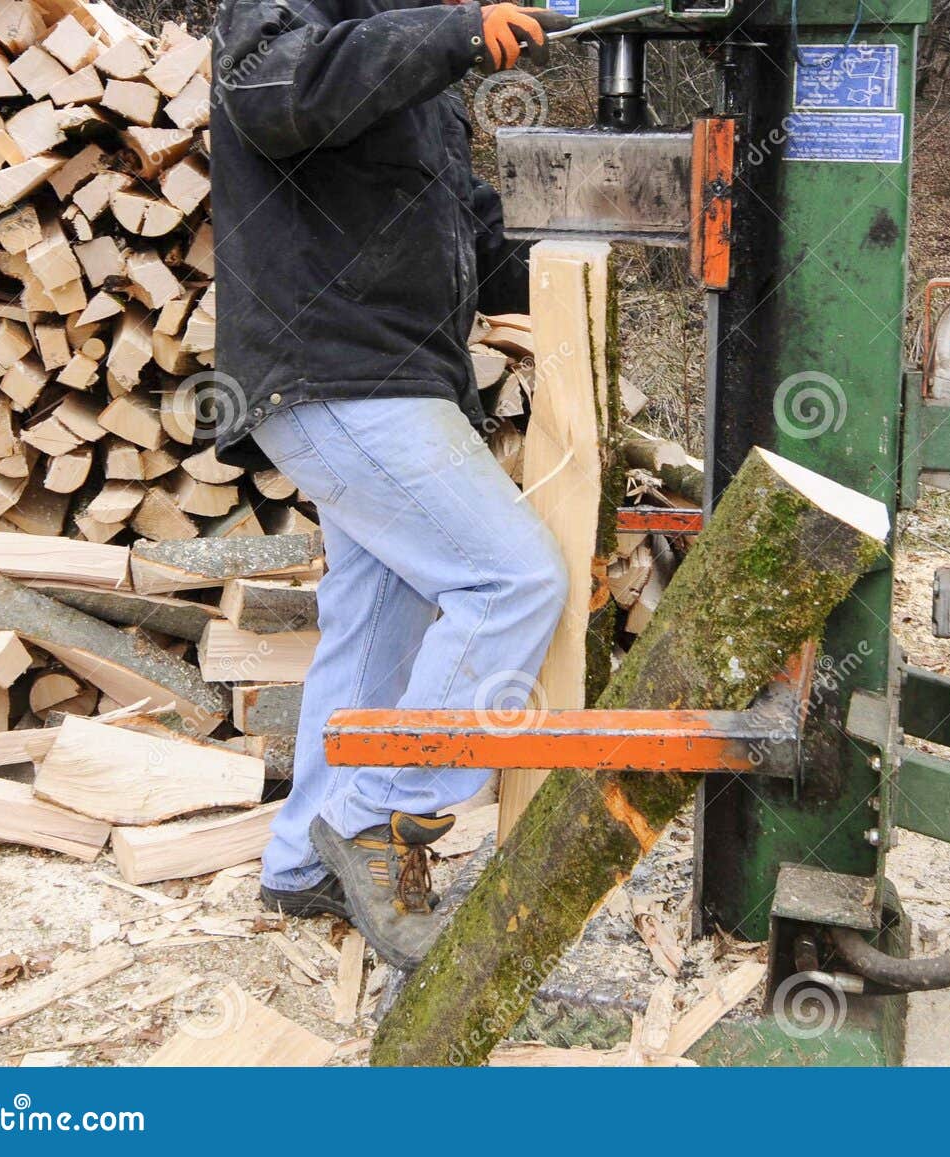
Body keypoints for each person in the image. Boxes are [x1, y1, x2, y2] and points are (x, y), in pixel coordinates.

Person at [211, 0, 573, 965]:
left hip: (390, 375)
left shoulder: (417, 77)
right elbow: (274, 98)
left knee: (378, 620)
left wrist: (593, 261)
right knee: (511, 579)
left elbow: (480, 248)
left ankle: (302, 861)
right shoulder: (296, 17)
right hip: (336, 371)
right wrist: (454, 34)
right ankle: (377, 819)